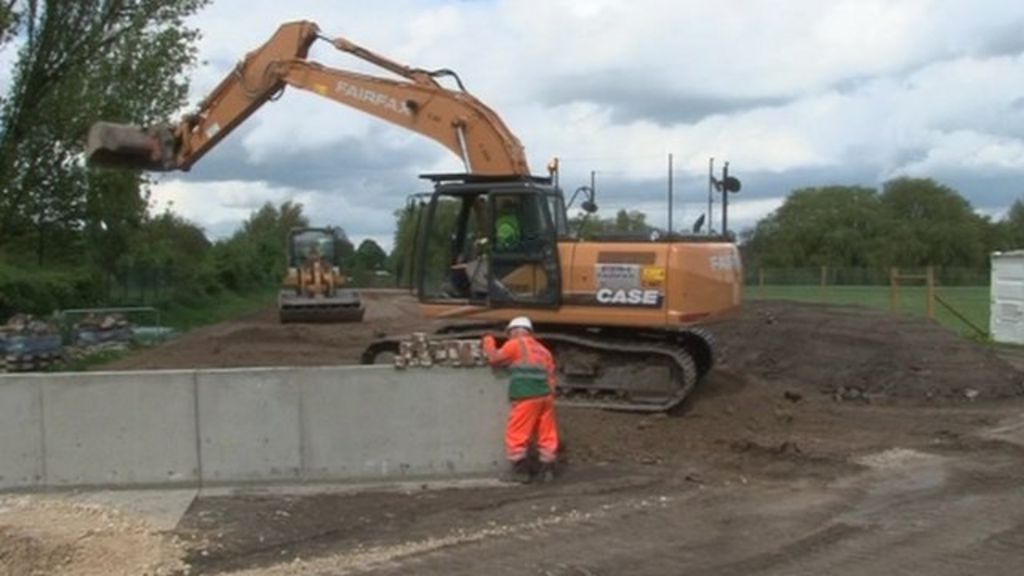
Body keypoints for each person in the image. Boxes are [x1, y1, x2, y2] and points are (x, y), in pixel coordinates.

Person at [482, 316, 559, 484]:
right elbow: (551, 375)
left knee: (517, 433)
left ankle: (521, 471)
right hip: (546, 397)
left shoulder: (516, 344)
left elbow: (495, 359)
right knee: (547, 434)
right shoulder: (543, 350)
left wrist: (488, 341)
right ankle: (547, 470)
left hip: (527, 396)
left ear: (513, 331)